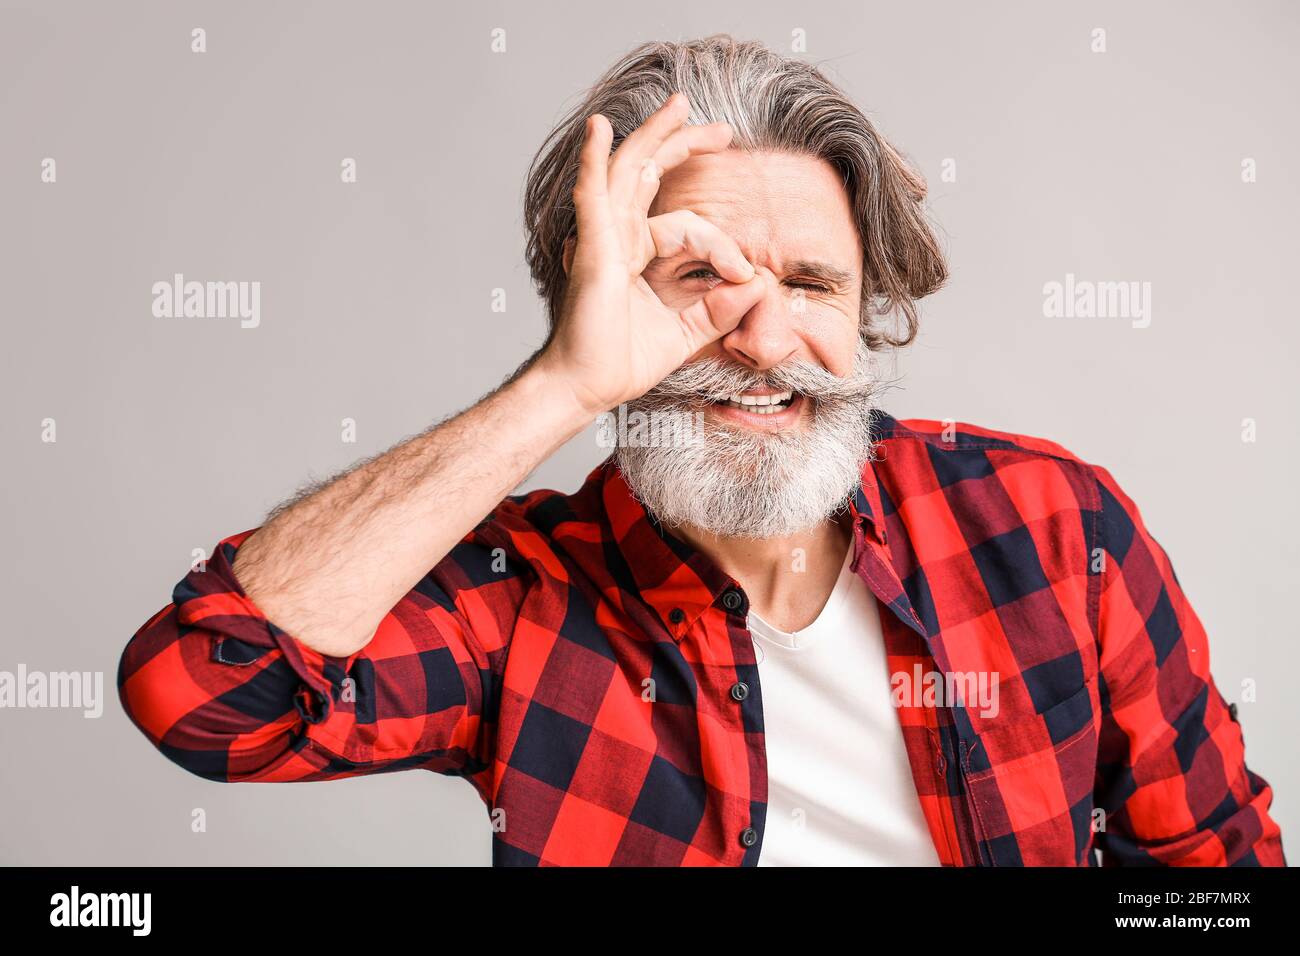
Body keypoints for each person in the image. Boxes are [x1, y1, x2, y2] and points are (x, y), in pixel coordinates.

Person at [117, 35, 1284, 867]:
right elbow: (206, 691)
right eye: (695, 280)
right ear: (596, 301)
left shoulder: (1050, 524)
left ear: (871, 306)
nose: (765, 339)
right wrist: (561, 385)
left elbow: (1212, 867)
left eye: (815, 284)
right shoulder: (525, 598)